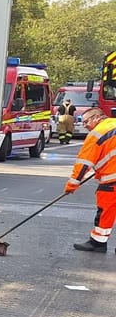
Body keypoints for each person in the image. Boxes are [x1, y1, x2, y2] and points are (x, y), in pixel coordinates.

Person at [65, 107, 116, 251]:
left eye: (86, 121)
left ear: (97, 118)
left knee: (105, 210)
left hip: (112, 180)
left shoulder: (97, 133)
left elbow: (84, 163)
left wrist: (72, 184)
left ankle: (98, 243)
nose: (85, 125)